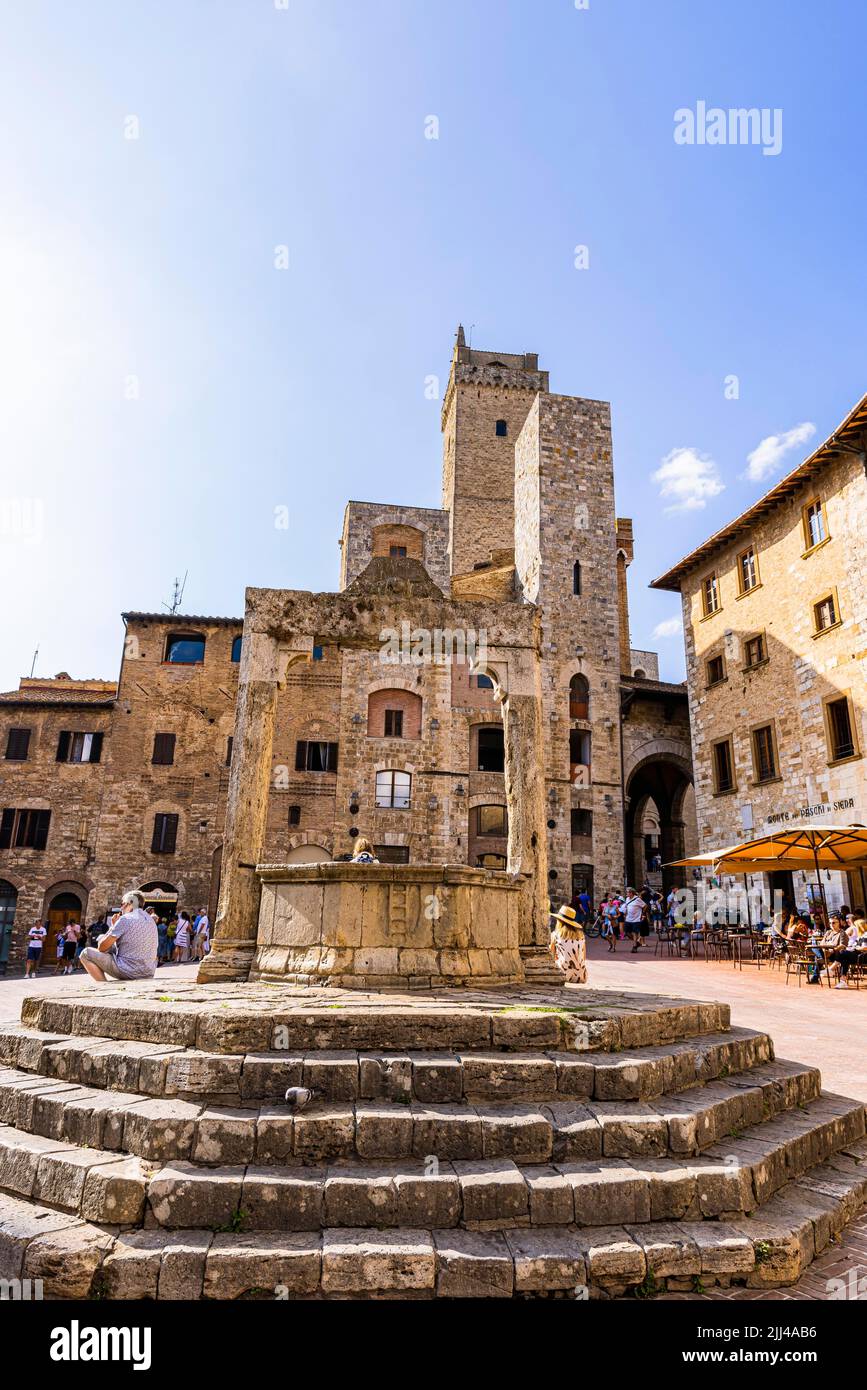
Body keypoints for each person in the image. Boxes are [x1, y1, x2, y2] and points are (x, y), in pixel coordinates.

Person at [79, 890, 158, 983]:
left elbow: (102, 947)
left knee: (85, 953)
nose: (121, 907)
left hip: (129, 971)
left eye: (122, 904)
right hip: (148, 971)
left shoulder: (126, 918)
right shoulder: (150, 919)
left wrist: (113, 926)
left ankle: (103, 985)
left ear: (130, 904)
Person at [548, 904, 587, 983]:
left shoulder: (556, 935)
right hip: (581, 975)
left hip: (562, 973)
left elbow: (551, 956)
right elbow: (584, 956)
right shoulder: (581, 936)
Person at [835, 918, 867, 988]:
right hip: (857, 955)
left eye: (856, 926)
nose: (855, 928)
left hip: (863, 957)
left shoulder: (866, 935)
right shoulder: (859, 936)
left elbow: (865, 947)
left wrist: (855, 948)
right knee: (844, 959)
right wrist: (851, 948)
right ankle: (843, 982)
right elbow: (854, 945)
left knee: (842, 953)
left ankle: (832, 967)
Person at [622, 887, 647, 952]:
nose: (626, 893)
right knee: (627, 933)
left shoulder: (637, 899)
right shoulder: (627, 899)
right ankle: (637, 942)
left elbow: (645, 906)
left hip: (636, 919)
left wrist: (642, 914)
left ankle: (634, 946)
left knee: (634, 932)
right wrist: (625, 913)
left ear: (631, 893)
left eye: (627, 892)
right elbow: (627, 907)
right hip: (628, 919)